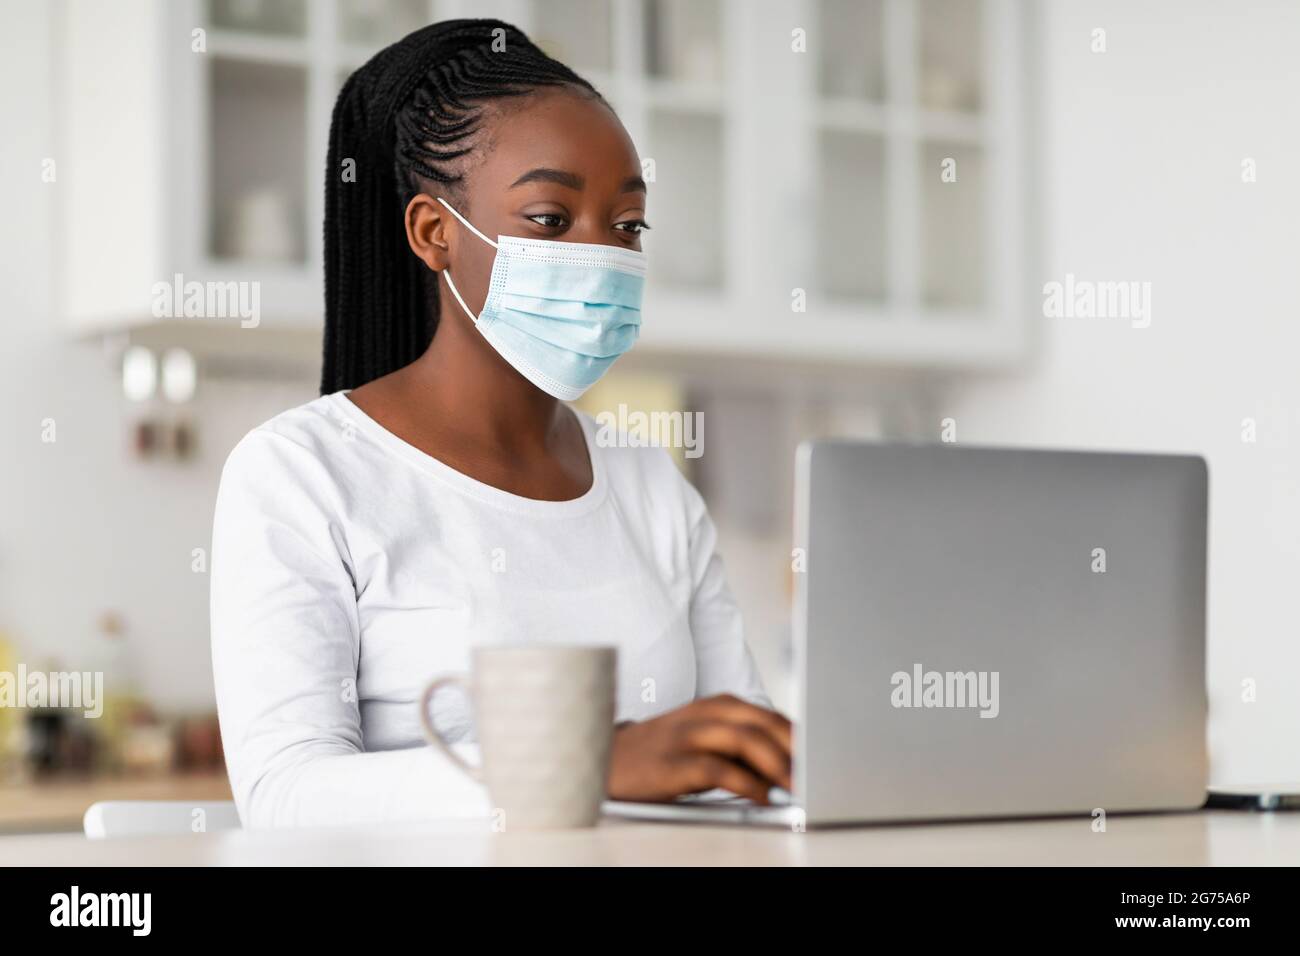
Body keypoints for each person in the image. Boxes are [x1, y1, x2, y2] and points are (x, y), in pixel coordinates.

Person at [211, 19, 791, 829]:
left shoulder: (648, 482)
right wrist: (586, 760)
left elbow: (745, 758)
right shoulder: (299, 474)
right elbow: (285, 795)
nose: (604, 255)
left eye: (627, 226)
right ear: (434, 232)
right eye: (551, 220)